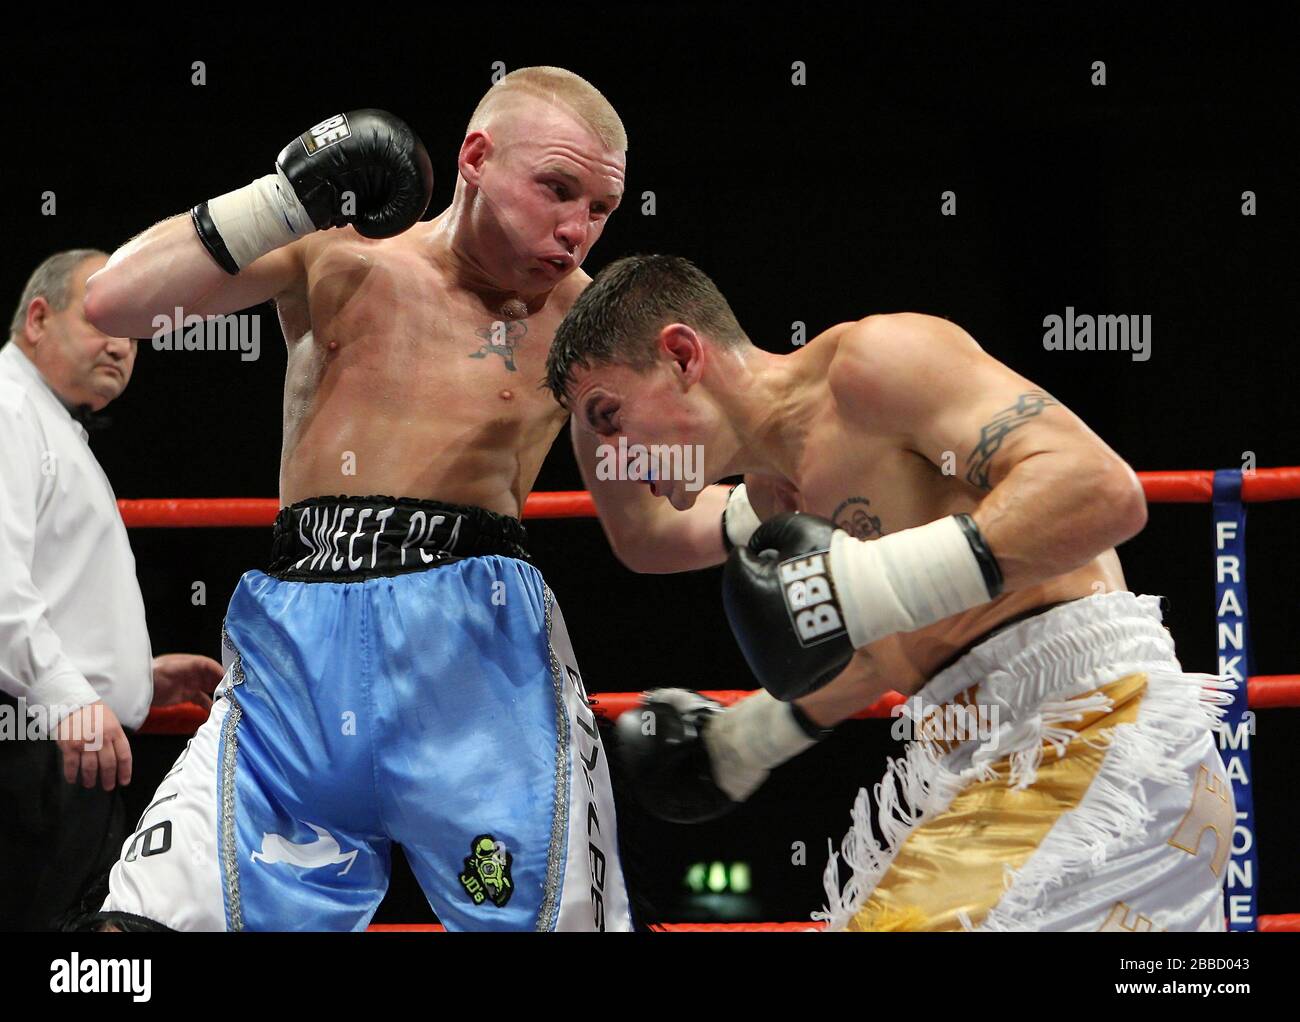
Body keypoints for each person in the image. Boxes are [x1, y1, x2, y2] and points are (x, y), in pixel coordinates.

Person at [81, 68, 633, 931]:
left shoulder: (588, 320)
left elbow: (646, 521)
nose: (575, 230)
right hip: (295, 656)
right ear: (476, 159)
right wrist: (283, 197)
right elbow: (115, 301)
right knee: (128, 945)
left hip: (480, 665)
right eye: (556, 189)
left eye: (600, 208)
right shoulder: (337, 251)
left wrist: (761, 523)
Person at [545, 253, 1235, 932]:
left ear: (682, 357)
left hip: (1092, 725)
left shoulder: (877, 365)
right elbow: (647, 538)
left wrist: (868, 583)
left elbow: (1101, 491)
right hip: (986, 757)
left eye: (610, 416)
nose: (615, 453)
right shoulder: (773, 496)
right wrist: (742, 743)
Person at [0, 249, 223, 931]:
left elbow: (49, 587)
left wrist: (132, 678)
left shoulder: (45, 421)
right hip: (32, 748)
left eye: (134, 331)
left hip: (60, 747)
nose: (123, 345)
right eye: (105, 321)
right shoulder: (7, 409)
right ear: (38, 317)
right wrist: (71, 697)